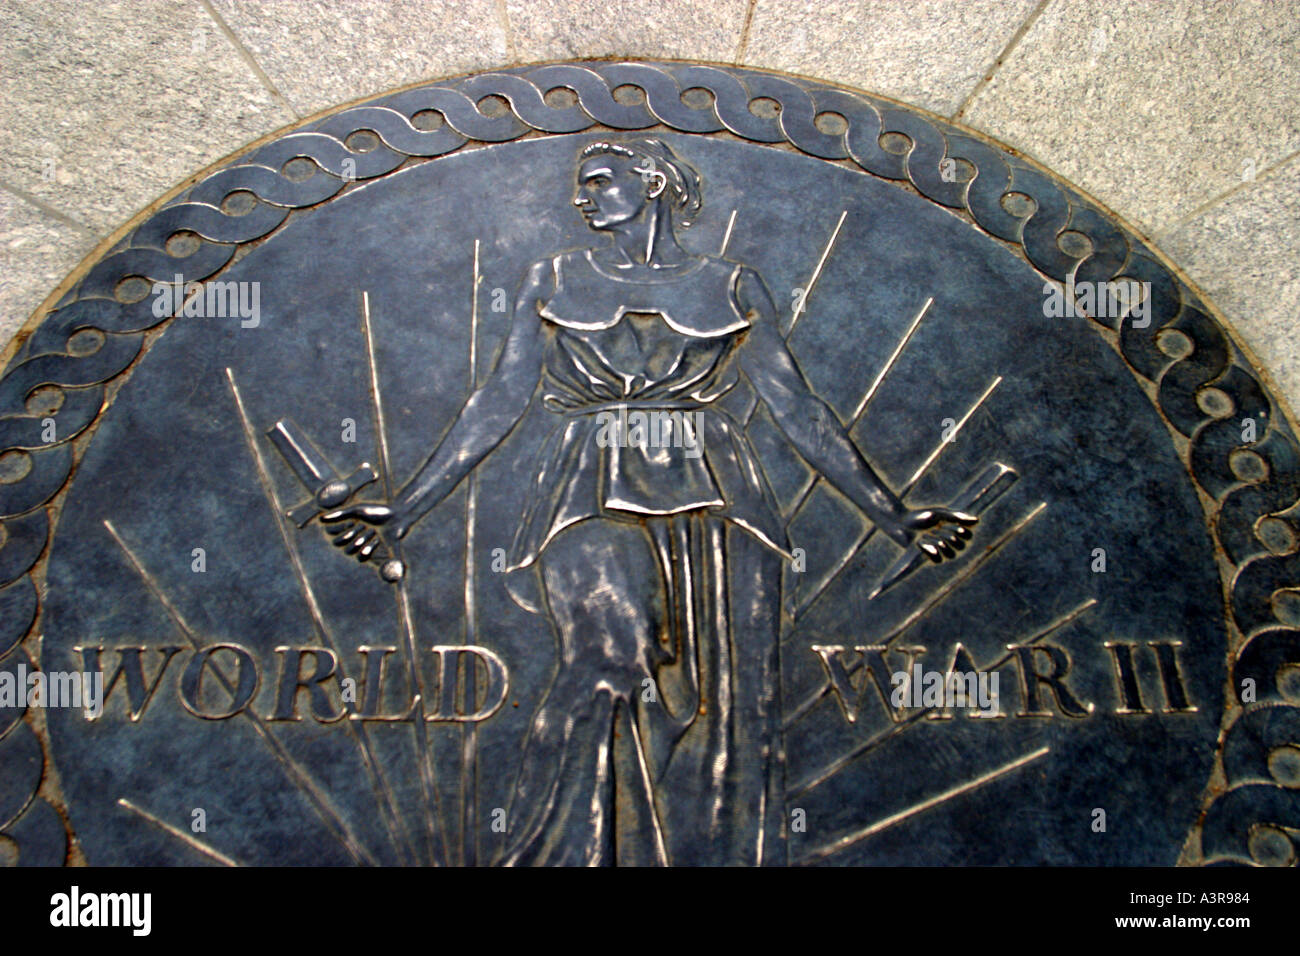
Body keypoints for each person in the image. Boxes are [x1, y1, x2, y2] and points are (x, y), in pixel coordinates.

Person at [324, 138, 974, 866]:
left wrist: (894, 514)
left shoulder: (732, 287)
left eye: (599, 180)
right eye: (582, 184)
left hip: (718, 497)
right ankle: (551, 854)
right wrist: (407, 508)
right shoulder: (553, 278)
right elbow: (502, 397)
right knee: (611, 653)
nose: (582, 196)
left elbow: (797, 408)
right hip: (589, 485)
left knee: (704, 709)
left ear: (654, 180)